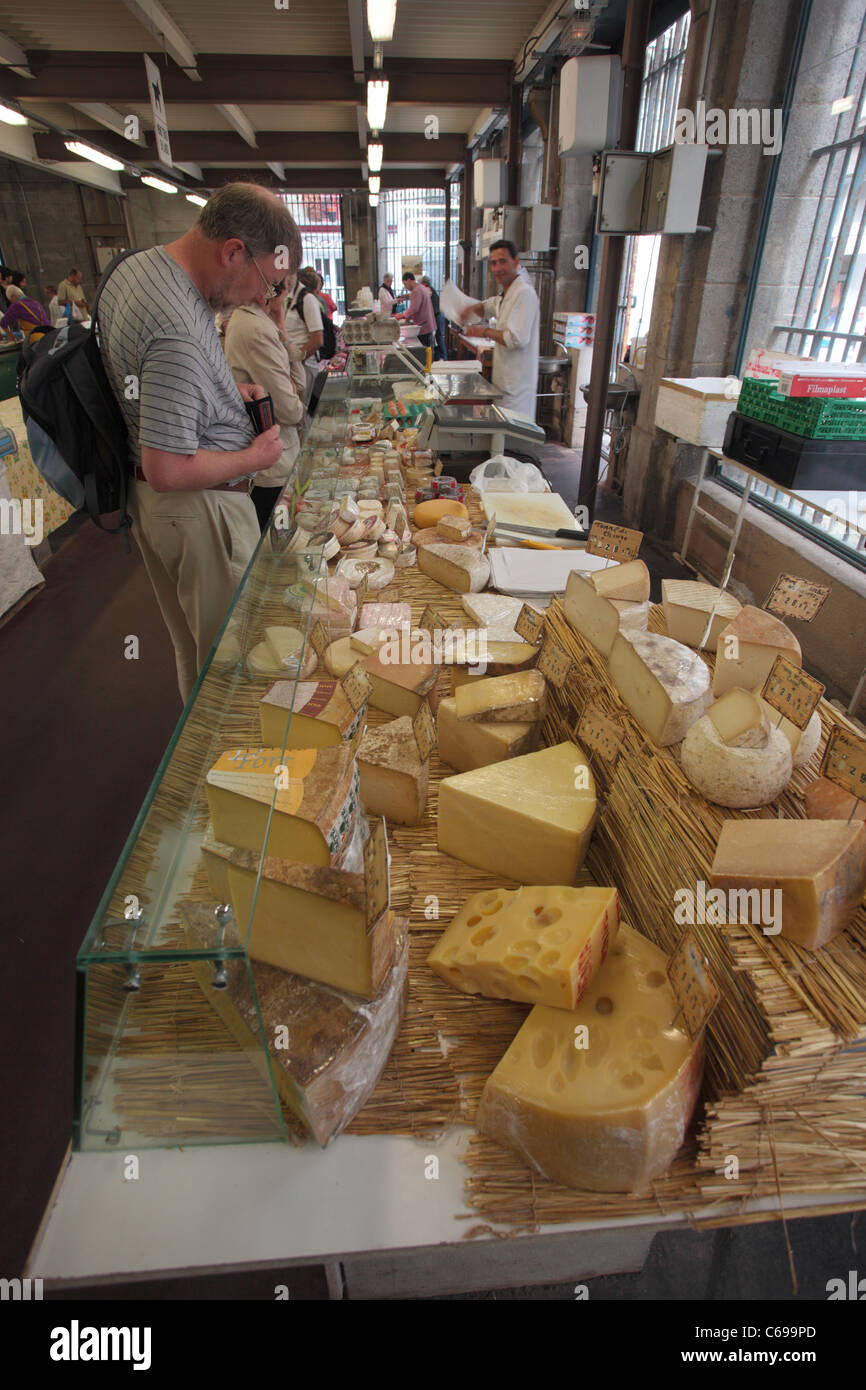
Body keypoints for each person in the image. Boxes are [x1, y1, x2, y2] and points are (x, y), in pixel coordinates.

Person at [97, 181, 301, 703]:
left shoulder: (142, 268)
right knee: (231, 660)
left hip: (161, 507)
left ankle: (207, 772)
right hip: (197, 508)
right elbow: (168, 467)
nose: (264, 298)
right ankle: (231, 772)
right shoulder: (177, 330)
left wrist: (224, 389)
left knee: (196, 652)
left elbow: (154, 381)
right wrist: (255, 457)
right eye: (266, 281)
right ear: (232, 250)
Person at [225, 279, 305, 531]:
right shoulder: (255, 329)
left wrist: (281, 324)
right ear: (272, 291)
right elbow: (290, 410)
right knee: (277, 544)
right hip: (273, 466)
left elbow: (299, 385)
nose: (288, 295)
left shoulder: (259, 323)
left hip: (276, 460)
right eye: (288, 286)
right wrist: (292, 393)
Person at [460, 239, 539, 418]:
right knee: (501, 439)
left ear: (516, 262)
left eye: (503, 261)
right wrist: (472, 308)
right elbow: (491, 305)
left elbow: (515, 339)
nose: (497, 268)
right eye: (494, 263)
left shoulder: (524, 294)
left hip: (517, 389)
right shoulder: (507, 294)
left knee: (514, 440)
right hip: (504, 384)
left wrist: (483, 332)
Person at [284, 271, 324, 404]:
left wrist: (296, 361)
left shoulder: (307, 299)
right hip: (287, 367)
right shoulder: (284, 297)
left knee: (305, 409)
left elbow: (317, 339)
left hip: (304, 366)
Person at [395, 271, 436, 349]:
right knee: (427, 351)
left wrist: (402, 315)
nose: (405, 287)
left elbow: (414, 308)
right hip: (427, 325)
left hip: (424, 326)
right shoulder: (420, 287)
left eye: (405, 284)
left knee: (424, 353)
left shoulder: (416, 290)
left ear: (409, 280)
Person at [420, 275, 447, 361]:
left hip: (438, 316)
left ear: (424, 283)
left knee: (439, 337)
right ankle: (442, 357)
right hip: (439, 316)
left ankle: (444, 357)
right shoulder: (431, 289)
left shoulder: (428, 290)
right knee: (438, 337)